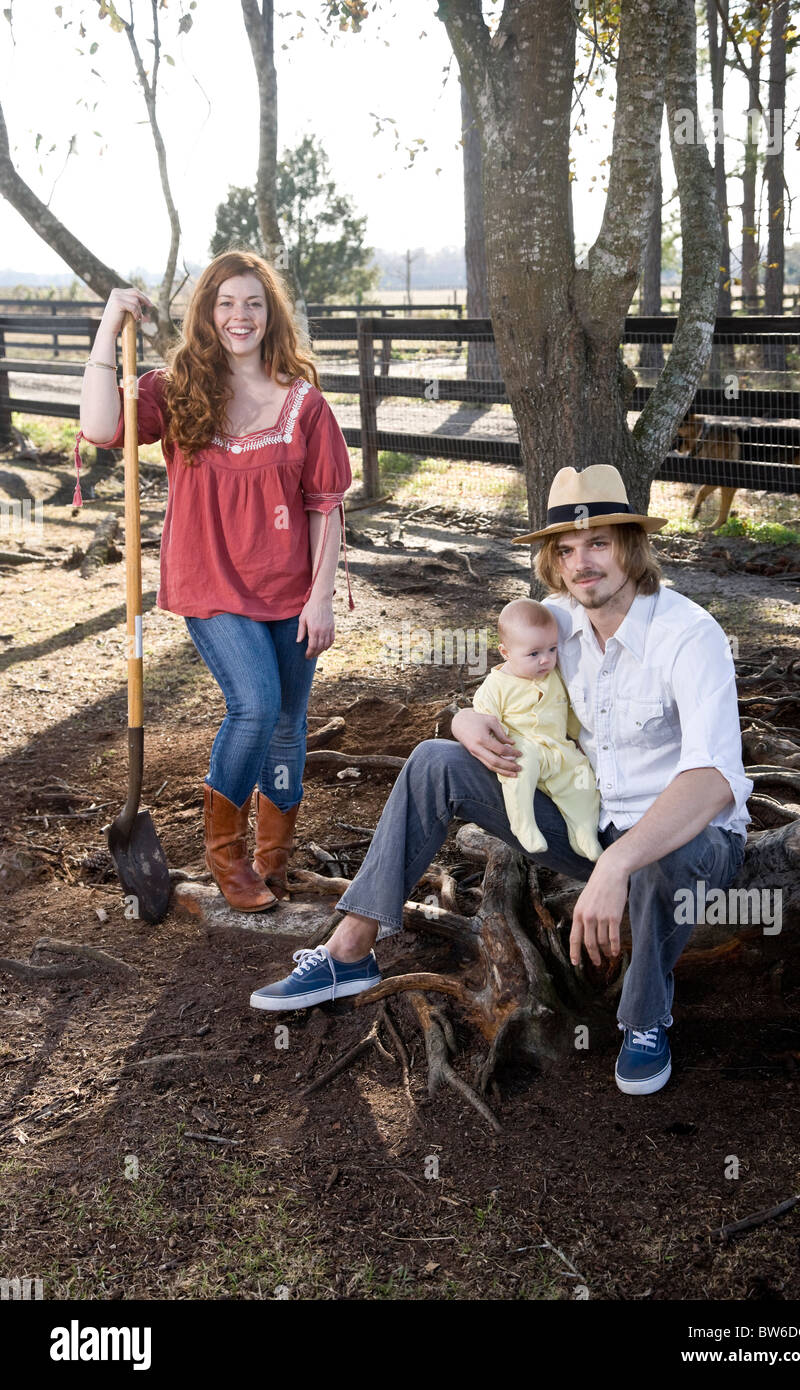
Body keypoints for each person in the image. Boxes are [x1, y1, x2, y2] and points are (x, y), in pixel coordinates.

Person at [250, 463, 752, 1101]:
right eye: (566, 550)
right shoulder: (558, 623)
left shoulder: (690, 635)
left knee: (662, 856)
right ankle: (349, 953)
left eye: (599, 543)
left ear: (631, 546)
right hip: (591, 823)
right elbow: (504, 689)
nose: (583, 562)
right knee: (434, 760)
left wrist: (617, 864)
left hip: (693, 839)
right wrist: (463, 719)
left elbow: (713, 781)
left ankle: (644, 1018)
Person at [78, 250, 353, 915]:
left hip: (291, 591)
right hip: (210, 584)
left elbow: (326, 506)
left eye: (253, 303)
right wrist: (111, 320)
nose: (240, 316)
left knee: (288, 727)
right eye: (226, 303)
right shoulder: (176, 391)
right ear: (207, 313)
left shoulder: (304, 404)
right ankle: (226, 856)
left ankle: (274, 861)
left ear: (271, 314)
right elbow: (98, 426)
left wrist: (320, 597)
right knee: (255, 705)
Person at [472, 598, 601, 861]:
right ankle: (523, 823)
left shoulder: (555, 677)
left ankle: (584, 832)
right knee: (520, 763)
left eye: (552, 649)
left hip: (556, 747)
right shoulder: (496, 685)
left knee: (582, 779)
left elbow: (569, 712)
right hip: (520, 745)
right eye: (534, 654)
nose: (545, 660)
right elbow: (485, 722)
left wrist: (577, 740)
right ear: (506, 653)